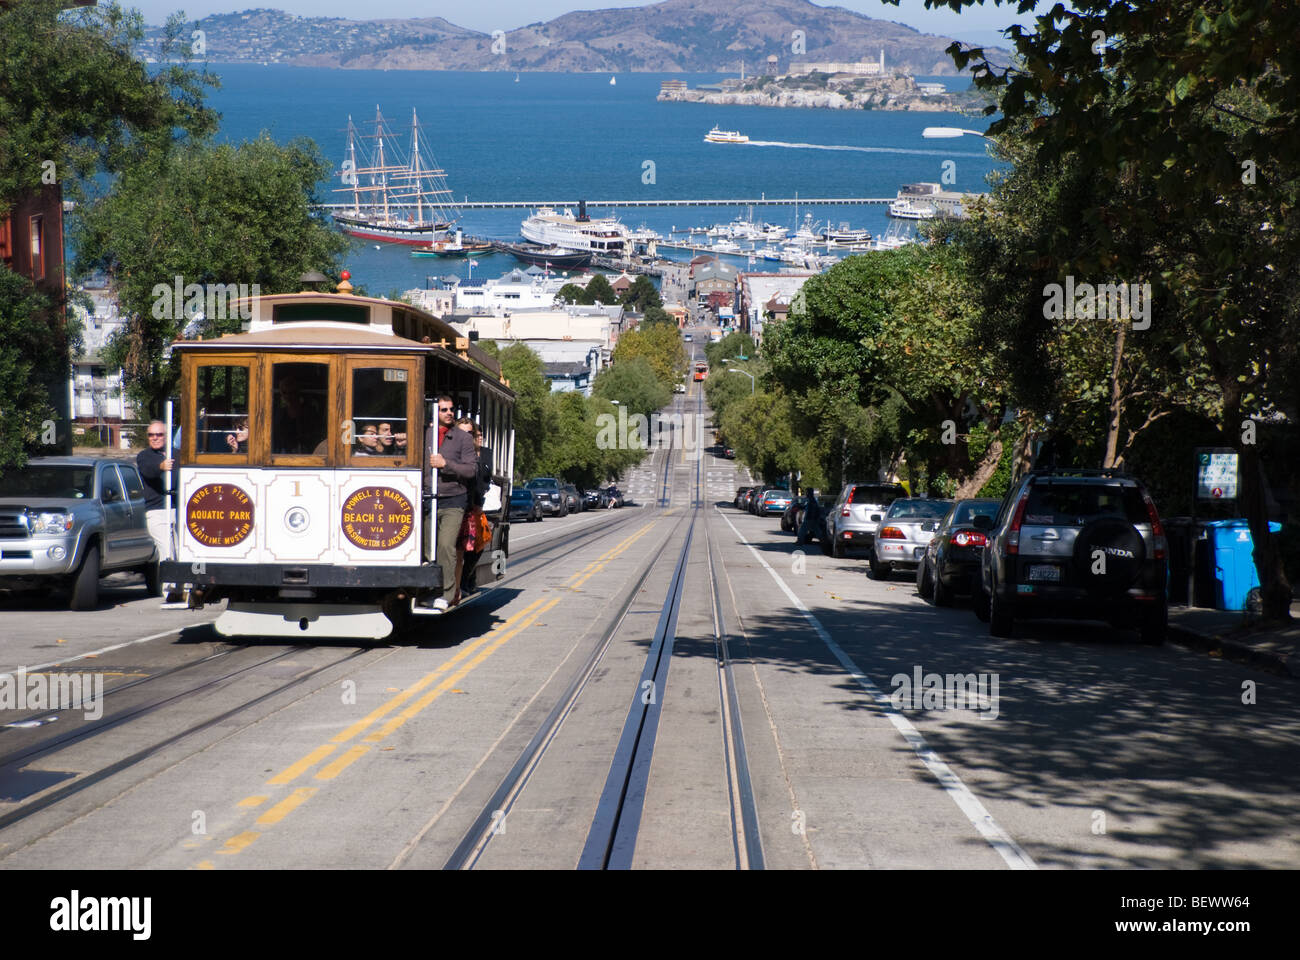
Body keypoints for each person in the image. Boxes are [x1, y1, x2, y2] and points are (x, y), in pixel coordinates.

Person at [428, 396, 477, 611]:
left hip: (453, 501)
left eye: (451, 409)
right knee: (426, 548)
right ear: (433, 412)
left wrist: (446, 464)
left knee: (446, 545)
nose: (449, 413)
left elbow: (470, 470)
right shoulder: (425, 434)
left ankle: (447, 593)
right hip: (426, 499)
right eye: (443, 409)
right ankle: (426, 588)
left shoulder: (463, 439)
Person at [136, 420, 180, 602]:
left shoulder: (178, 455)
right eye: (151, 435)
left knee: (179, 550)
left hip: (176, 509)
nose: (154, 438)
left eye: (159, 434)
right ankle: (169, 590)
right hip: (156, 511)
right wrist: (162, 466)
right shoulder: (145, 456)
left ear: (166, 436)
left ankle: (184, 587)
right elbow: (149, 470)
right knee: (166, 549)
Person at [453, 418, 493, 602]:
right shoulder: (457, 453)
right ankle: (460, 584)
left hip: (475, 507)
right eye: (475, 435)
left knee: (477, 544)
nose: (478, 439)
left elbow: (485, 479)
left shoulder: (483, 456)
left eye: (476, 435)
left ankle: (467, 580)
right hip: (463, 506)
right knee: (463, 548)